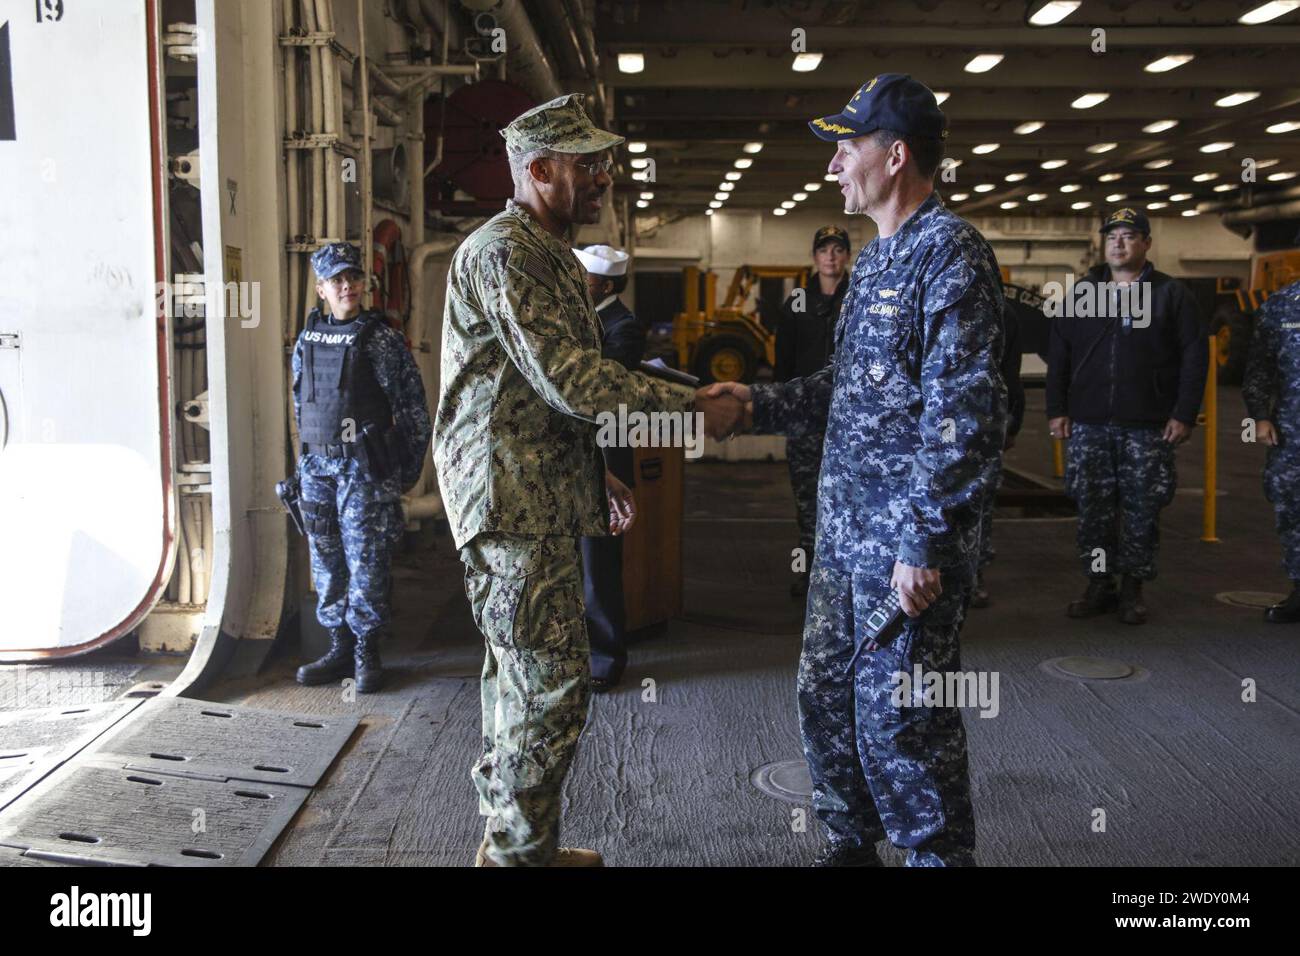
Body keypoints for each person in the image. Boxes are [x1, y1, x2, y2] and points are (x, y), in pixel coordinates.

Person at [434, 94, 742, 867]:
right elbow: (572, 379)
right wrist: (692, 408)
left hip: (535, 490)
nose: (604, 176)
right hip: (507, 500)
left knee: (519, 684)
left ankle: (519, 848)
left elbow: (550, 389)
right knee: (550, 689)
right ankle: (517, 858)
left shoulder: (549, 253)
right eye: (587, 164)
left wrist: (595, 472)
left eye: (603, 162)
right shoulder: (505, 253)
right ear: (537, 170)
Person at [711, 73, 1007, 866]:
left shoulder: (951, 256)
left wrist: (926, 542)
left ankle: (936, 856)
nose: (834, 168)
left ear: (896, 153)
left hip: (903, 544)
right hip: (843, 536)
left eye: (847, 150)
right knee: (825, 698)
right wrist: (753, 402)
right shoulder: (876, 264)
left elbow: (966, 416)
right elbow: (844, 391)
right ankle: (850, 844)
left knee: (904, 720)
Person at [1047, 208, 1208, 625]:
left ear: (1147, 244)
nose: (1118, 243)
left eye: (1129, 236)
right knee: (1094, 511)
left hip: (1148, 425)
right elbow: (1059, 353)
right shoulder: (1084, 293)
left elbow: (1195, 356)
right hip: (1089, 423)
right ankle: (1099, 585)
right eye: (1112, 236)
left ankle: (1133, 589)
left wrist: (1184, 413)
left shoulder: (1170, 294)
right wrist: (1057, 409)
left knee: (1142, 509)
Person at [291, 242, 432, 693]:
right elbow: (301, 402)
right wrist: (305, 464)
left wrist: (404, 472)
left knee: (366, 561)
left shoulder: (380, 338)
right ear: (321, 289)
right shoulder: (308, 337)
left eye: (353, 277)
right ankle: (337, 647)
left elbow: (412, 408)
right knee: (326, 560)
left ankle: (366, 652)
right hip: (317, 469)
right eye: (337, 280)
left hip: (363, 471)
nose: (347, 285)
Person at [574, 243, 644, 690]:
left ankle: (606, 657)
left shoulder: (624, 327)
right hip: (574, 448)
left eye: (585, 275)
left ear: (604, 283)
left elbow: (598, 387)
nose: (577, 279)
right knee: (573, 557)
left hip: (605, 450)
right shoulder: (578, 317)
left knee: (599, 558)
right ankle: (577, 650)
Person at [774, 225, 850, 597]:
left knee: (848, 500)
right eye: (824, 250)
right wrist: (785, 409)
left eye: (838, 249)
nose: (831, 256)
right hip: (805, 417)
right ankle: (808, 573)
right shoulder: (798, 302)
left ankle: (843, 577)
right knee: (807, 500)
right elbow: (783, 363)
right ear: (814, 257)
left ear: (847, 255)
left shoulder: (860, 297)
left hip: (850, 421)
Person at [1242, 276, 1300, 623]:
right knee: (1291, 508)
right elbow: (1259, 368)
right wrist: (1260, 416)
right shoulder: (1281, 304)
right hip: (1293, 430)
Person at [971, 295, 1025, 608]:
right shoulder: (924, 300)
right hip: (927, 424)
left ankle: (973, 576)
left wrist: (1012, 422)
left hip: (983, 425)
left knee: (978, 506)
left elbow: (1010, 372)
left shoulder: (1001, 311)